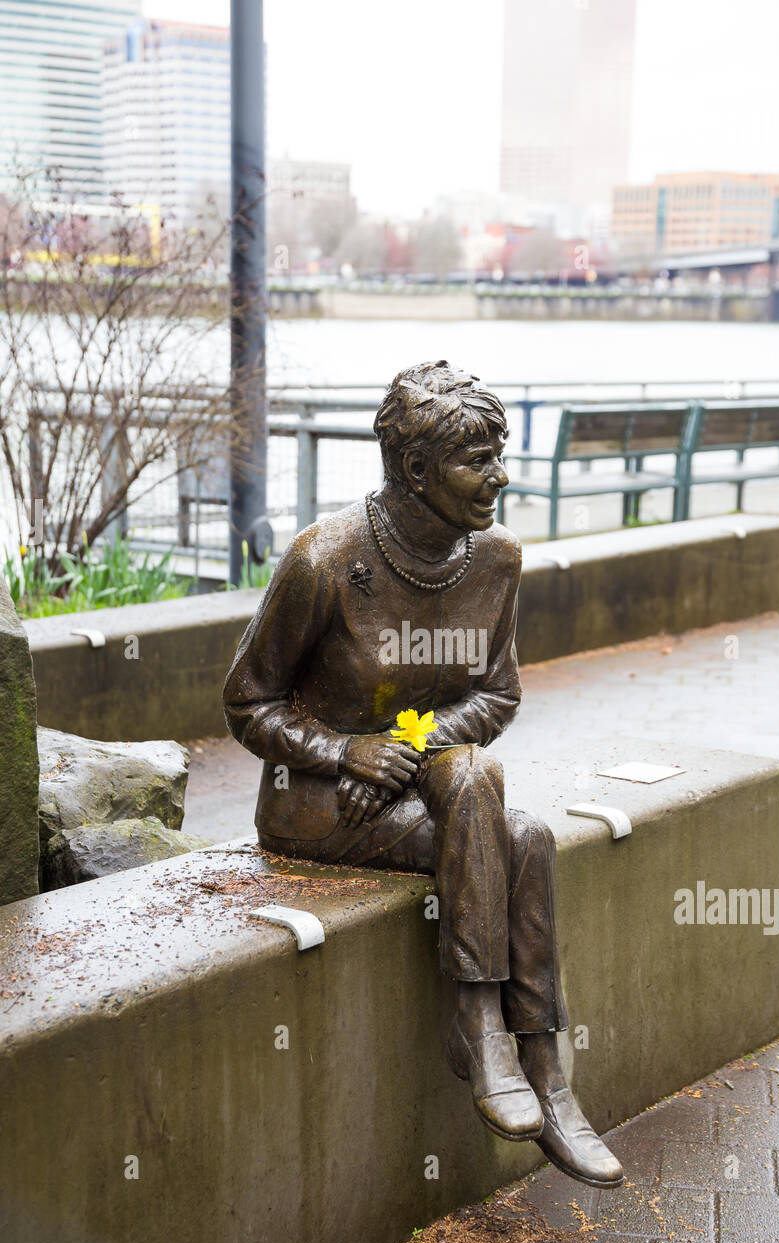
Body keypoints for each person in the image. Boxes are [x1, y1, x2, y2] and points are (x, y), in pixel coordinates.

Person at [223, 360, 623, 1187]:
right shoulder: (324, 559)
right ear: (414, 470)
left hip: (423, 775)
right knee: (525, 838)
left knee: (492, 796)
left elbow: (498, 691)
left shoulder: (497, 562)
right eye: (476, 460)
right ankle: (515, 1053)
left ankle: (522, 1057)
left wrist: (406, 740)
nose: (498, 478)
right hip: (325, 804)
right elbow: (245, 703)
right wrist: (345, 752)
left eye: (499, 454)